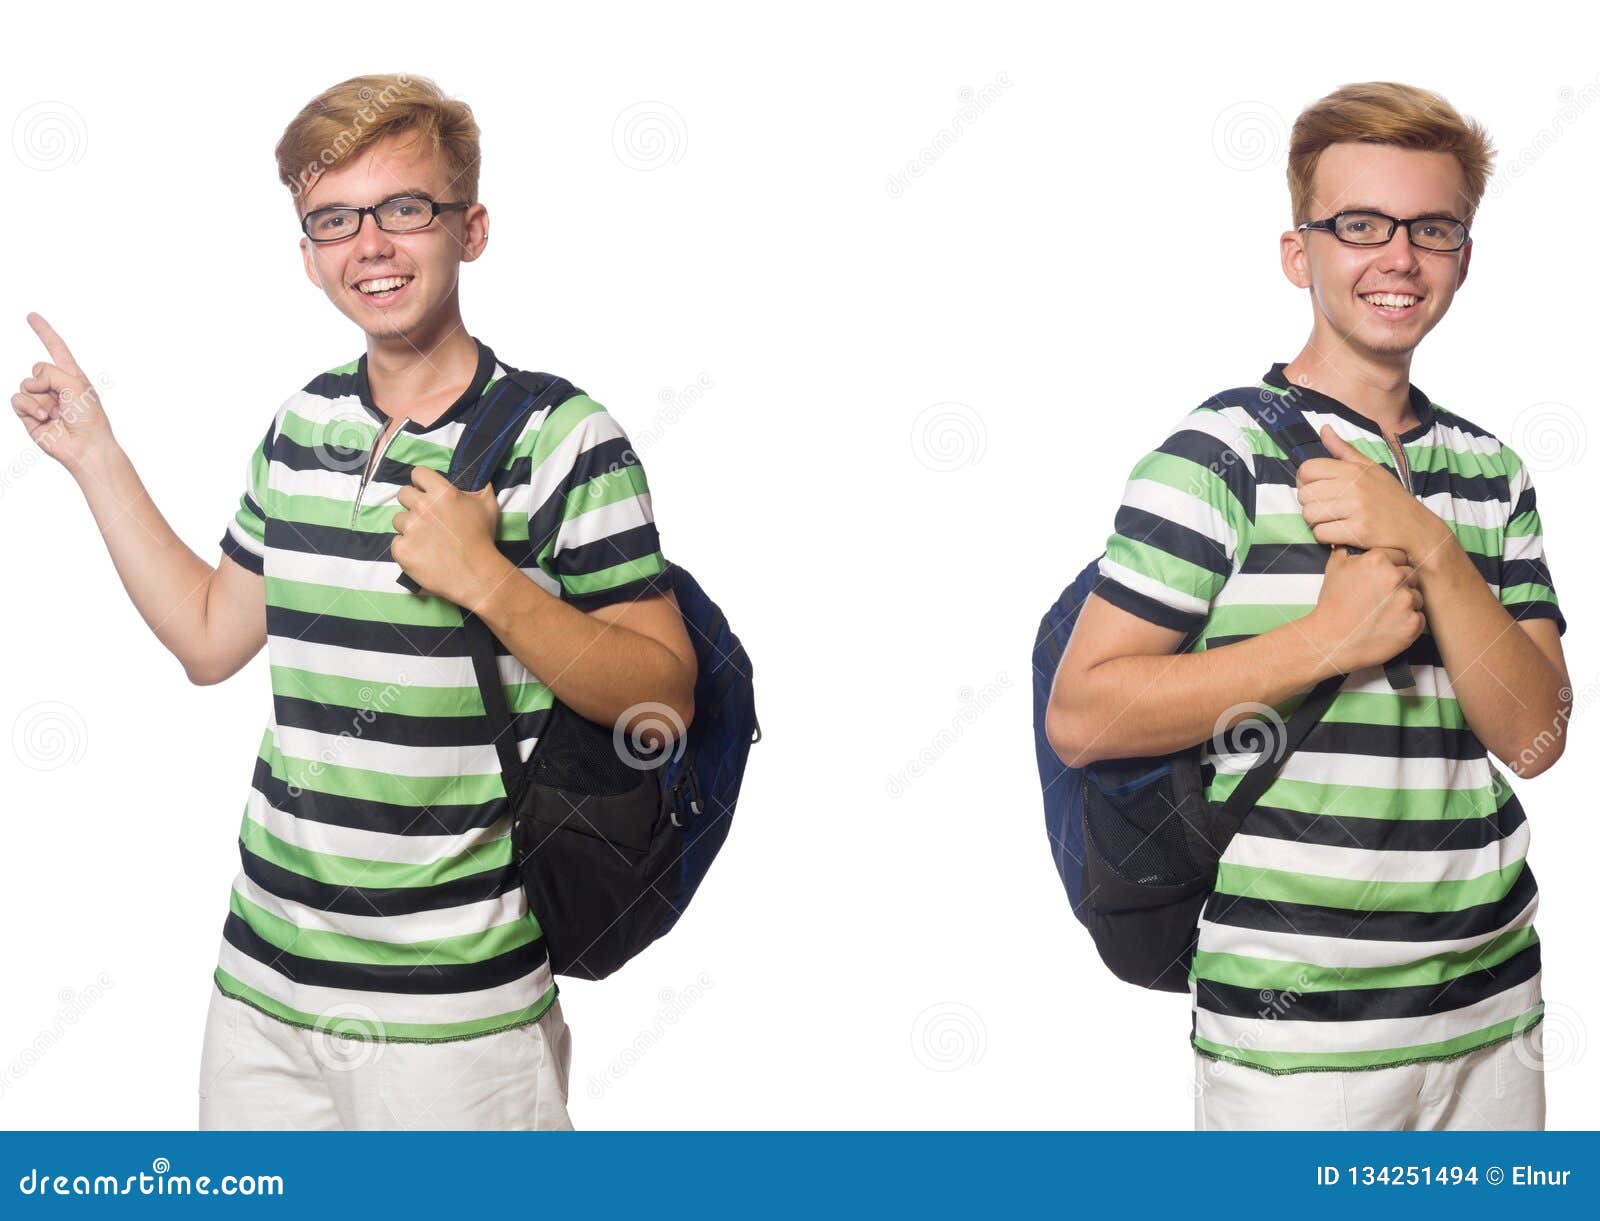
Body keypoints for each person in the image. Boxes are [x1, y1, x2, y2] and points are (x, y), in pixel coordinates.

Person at [11, 73, 698, 1130]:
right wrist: (93, 456)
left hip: (457, 1018)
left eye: (403, 208)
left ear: (470, 229)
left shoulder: (563, 439)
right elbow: (208, 638)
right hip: (263, 994)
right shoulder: (303, 425)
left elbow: (662, 698)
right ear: (307, 254)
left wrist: (486, 579)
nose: (369, 245)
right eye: (334, 220)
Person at [1044, 82, 1568, 1130]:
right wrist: (1327, 639)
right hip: (1299, 1044)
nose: (1397, 259)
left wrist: (1423, 540)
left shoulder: (1491, 470)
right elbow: (1082, 716)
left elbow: (1535, 733)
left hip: (1494, 1009)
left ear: (1463, 255)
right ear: (1301, 254)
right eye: (1359, 226)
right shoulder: (1218, 453)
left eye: (1432, 229)